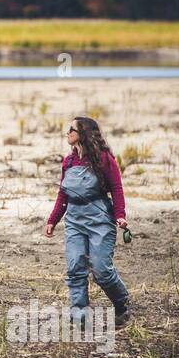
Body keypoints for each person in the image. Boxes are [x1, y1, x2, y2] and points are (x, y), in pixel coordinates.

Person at [44, 116, 132, 327]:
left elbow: (116, 188)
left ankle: (121, 303)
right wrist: (53, 220)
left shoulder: (103, 159)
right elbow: (63, 193)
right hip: (74, 220)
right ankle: (80, 314)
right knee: (75, 266)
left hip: (99, 219)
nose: (67, 133)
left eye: (71, 129)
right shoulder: (69, 161)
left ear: (82, 134)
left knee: (101, 269)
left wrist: (120, 215)